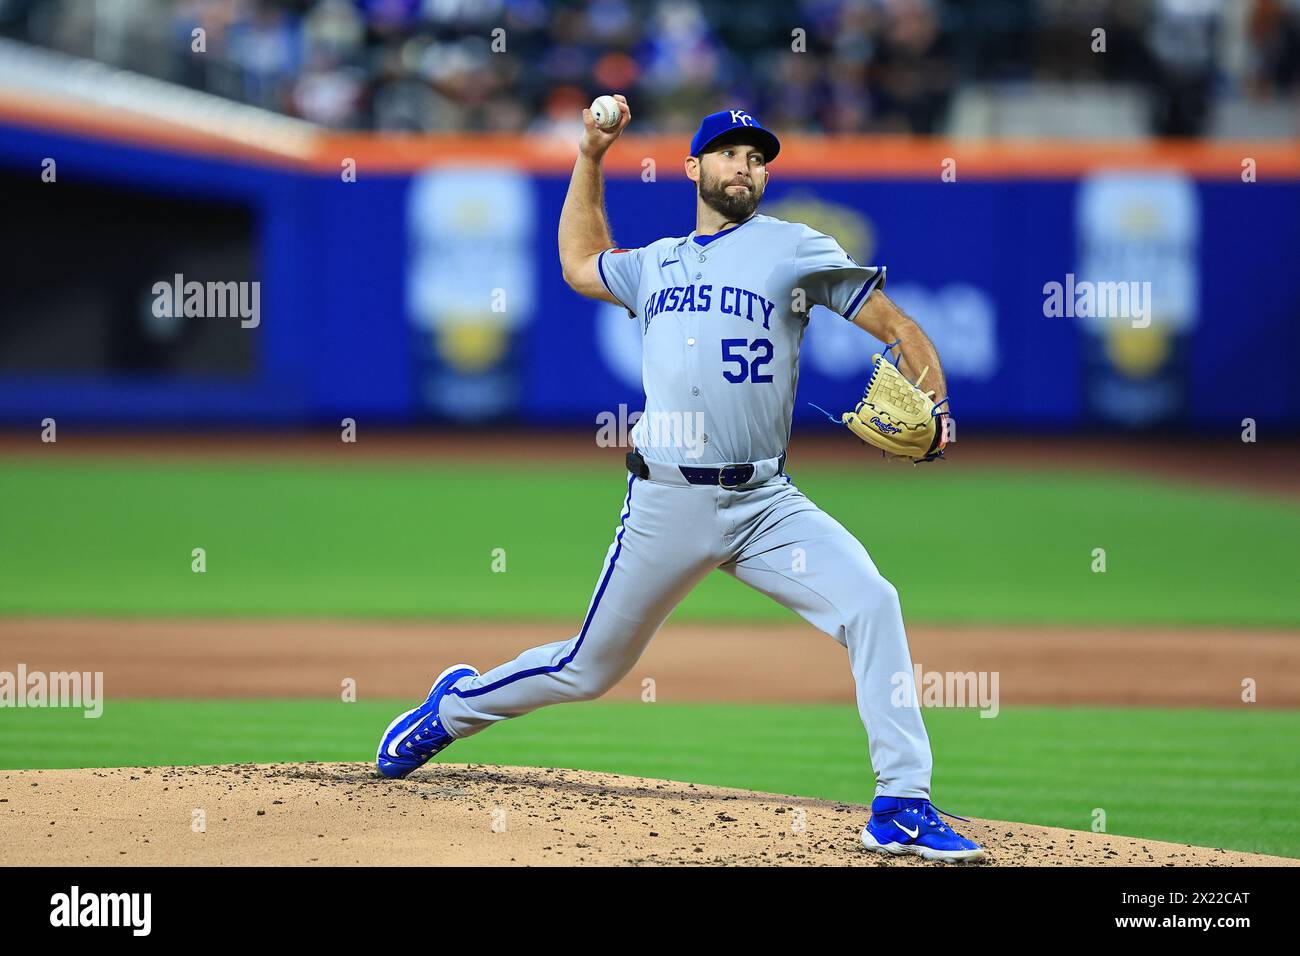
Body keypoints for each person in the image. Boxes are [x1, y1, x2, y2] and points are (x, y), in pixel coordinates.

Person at [376, 97, 985, 863]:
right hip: (666, 500)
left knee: (872, 602)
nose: (746, 164)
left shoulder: (796, 249)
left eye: (758, 156)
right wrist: (591, 156)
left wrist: (933, 396)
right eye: (730, 152)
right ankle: (451, 709)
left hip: (765, 503)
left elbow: (899, 327)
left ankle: (902, 802)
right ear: (693, 167)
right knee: (588, 669)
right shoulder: (655, 263)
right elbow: (576, 263)